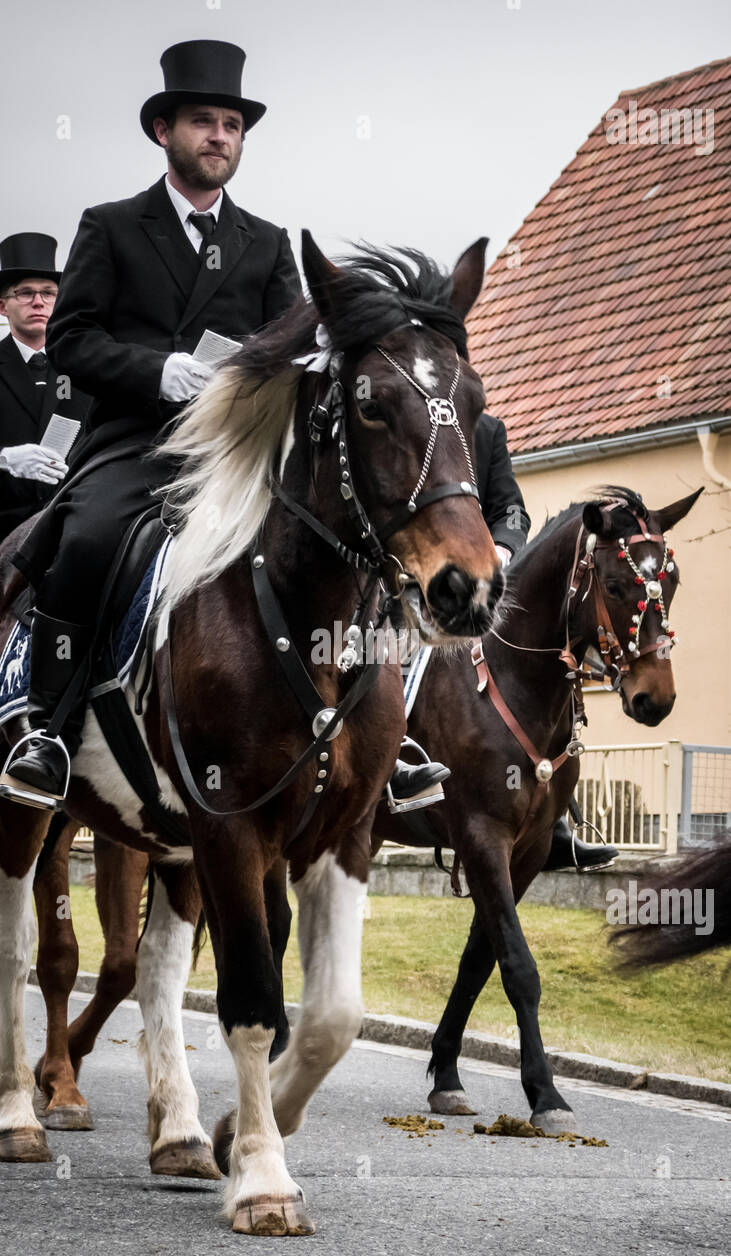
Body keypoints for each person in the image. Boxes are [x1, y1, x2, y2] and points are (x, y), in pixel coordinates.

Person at [0, 38, 448, 812]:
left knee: (348, 535)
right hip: (136, 443)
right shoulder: (109, 225)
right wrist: (158, 370)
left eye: (232, 126)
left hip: (239, 451)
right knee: (88, 536)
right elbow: (72, 338)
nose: (219, 136)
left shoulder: (268, 242)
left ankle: (386, 729)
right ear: (164, 132)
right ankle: (49, 726)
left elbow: (293, 345)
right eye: (203, 122)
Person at [475, 412, 618, 871]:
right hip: (408, 575)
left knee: (542, 673)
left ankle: (554, 826)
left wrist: (496, 555)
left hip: (480, 582)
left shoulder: (487, 431)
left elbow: (511, 511)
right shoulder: (399, 414)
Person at [0, 234, 89, 542]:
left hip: (72, 527)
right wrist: (5, 459)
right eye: (25, 293)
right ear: (2, 306)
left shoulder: (88, 368)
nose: (38, 302)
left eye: (48, 293)